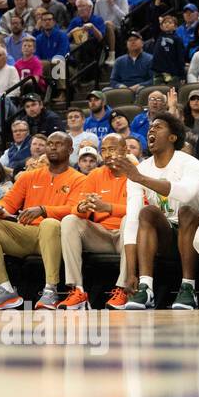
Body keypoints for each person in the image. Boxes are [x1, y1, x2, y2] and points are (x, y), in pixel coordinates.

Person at [0, 131, 84, 310]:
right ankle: (5, 289)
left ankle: (50, 290)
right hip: (26, 234)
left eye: (59, 144)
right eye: (50, 144)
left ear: (71, 150)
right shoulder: (28, 176)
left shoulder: (79, 179)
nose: (53, 147)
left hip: (59, 237)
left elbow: (75, 210)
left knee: (50, 223)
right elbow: (8, 202)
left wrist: (43, 210)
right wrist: (0, 208)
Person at [109, 114, 199, 310]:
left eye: (158, 127)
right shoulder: (142, 168)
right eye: (150, 127)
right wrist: (130, 272)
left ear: (172, 137)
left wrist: (141, 178)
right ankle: (146, 287)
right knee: (146, 212)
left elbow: (186, 195)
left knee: (186, 212)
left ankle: (188, 287)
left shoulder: (190, 163)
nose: (151, 130)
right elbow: (133, 221)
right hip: (168, 233)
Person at [60, 132, 130, 310]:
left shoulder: (137, 173)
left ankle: (123, 289)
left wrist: (108, 207)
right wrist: (82, 208)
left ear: (125, 150)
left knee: (130, 220)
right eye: (104, 150)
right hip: (101, 235)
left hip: (127, 236)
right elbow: (77, 208)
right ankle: (77, 290)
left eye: (112, 149)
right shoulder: (95, 175)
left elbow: (143, 212)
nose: (107, 154)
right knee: (70, 220)